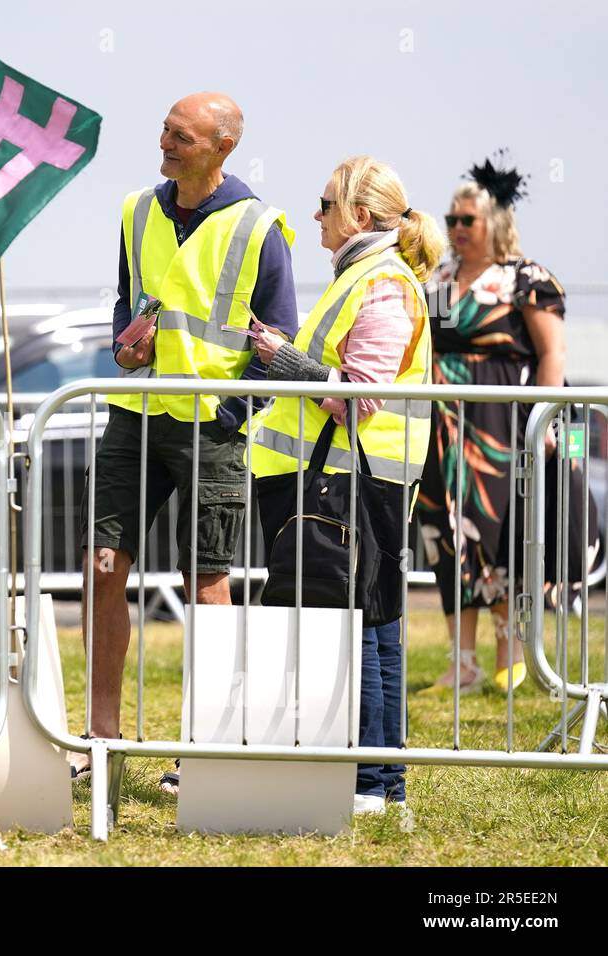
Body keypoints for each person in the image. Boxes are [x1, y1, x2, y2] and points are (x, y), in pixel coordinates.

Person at [73, 92, 297, 791]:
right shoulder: (138, 209)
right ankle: (100, 740)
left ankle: (205, 745)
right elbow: (126, 300)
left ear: (223, 147)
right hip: (134, 415)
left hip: (211, 428)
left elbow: (279, 343)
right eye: (166, 131)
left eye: (183, 137)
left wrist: (235, 413)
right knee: (103, 566)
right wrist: (125, 347)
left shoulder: (261, 228)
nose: (166, 144)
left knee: (204, 581)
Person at [250, 155, 444, 818]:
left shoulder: (383, 282)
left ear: (361, 216)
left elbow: (363, 398)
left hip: (350, 480)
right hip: (354, 479)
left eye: (326, 203)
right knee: (376, 625)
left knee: (354, 627)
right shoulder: (370, 275)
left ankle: (367, 782)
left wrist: (284, 360)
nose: (316, 215)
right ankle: (382, 784)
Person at [416, 154, 586, 694]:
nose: (457, 230)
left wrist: (546, 421)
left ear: (496, 221)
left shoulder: (526, 279)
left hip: (505, 428)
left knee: (505, 539)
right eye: (451, 221)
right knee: (448, 541)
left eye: (468, 220)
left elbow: (552, 354)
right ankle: (460, 662)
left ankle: (510, 656)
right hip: (442, 431)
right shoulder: (439, 280)